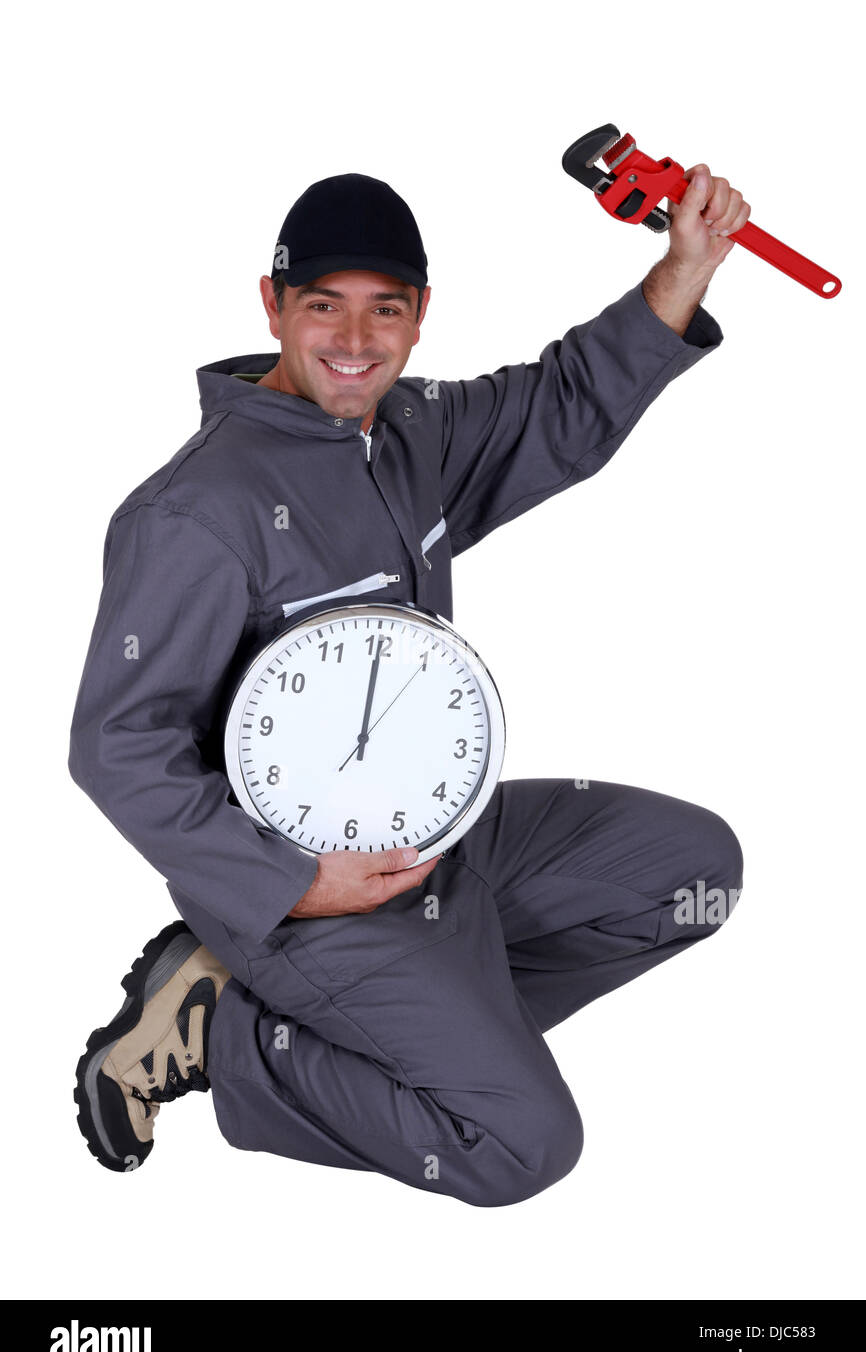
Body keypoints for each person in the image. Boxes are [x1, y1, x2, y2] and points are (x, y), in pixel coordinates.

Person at [69, 167, 747, 1204]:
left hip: (438, 836)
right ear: (272, 306)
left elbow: (558, 405)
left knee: (693, 870)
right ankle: (236, 1034)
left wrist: (683, 266)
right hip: (309, 896)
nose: (354, 338)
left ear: (420, 318)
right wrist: (286, 883)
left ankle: (422, 1017)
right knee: (518, 1144)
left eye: (383, 309)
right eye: (322, 306)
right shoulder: (196, 511)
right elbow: (118, 744)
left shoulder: (409, 433)